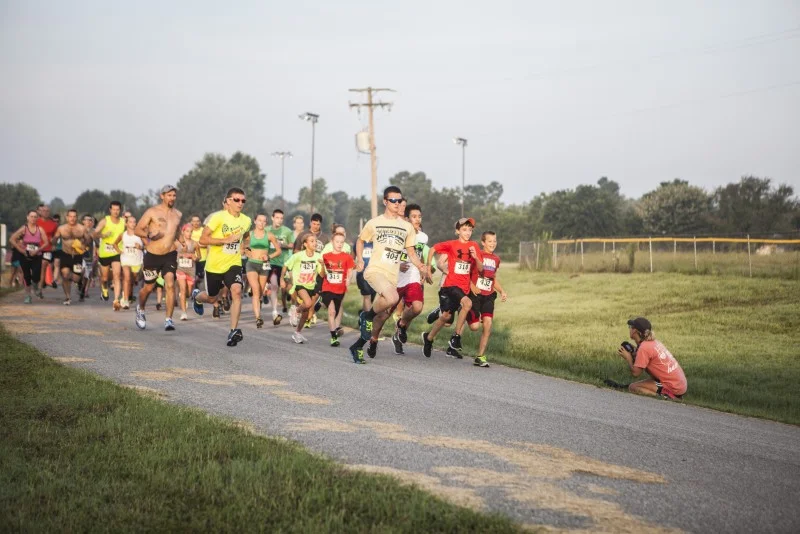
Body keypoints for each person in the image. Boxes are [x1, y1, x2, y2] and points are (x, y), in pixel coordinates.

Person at [349, 186, 429, 364]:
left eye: (399, 200)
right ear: (385, 201)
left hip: (392, 276)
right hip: (375, 271)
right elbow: (360, 240)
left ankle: (358, 346)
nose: (397, 203)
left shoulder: (407, 227)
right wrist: (360, 258)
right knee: (392, 298)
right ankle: (366, 316)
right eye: (393, 200)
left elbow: (411, 252)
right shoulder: (374, 222)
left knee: (382, 314)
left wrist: (421, 266)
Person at [191, 188, 252, 346]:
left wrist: (246, 247)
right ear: (229, 201)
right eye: (237, 200)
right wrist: (224, 240)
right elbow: (203, 240)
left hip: (233, 263)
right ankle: (197, 297)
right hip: (214, 266)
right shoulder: (217, 218)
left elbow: (246, 235)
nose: (240, 203)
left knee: (237, 291)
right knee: (212, 298)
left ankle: (233, 331)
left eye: (243, 201)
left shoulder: (246, 220)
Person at [421, 217, 483, 359]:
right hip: (449, 286)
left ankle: (428, 338)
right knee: (467, 303)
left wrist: (476, 258)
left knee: (445, 317)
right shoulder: (451, 245)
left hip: (463, 288)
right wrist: (428, 268)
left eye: (470, 230)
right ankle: (456, 337)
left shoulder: (474, 246)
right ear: (457, 231)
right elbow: (432, 249)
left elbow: (480, 268)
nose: (467, 233)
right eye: (464, 230)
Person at [134, 185, 182, 331]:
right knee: (148, 288)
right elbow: (137, 229)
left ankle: (168, 319)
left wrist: (182, 241)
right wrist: (149, 235)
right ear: (162, 196)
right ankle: (140, 309)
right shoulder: (152, 212)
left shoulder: (178, 214)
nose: (172, 198)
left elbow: (176, 229)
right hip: (153, 255)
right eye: (169, 195)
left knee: (170, 284)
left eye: (174, 195)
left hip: (170, 254)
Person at [607, 317, 688, 400]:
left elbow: (636, 373)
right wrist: (635, 351)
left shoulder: (644, 348)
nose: (629, 329)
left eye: (630, 327)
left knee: (633, 387)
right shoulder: (653, 342)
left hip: (674, 386)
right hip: (680, 383)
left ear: (635, 331)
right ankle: (668, 393)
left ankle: (667, 397)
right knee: (638, 385)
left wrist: (628, 358)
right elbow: (646, 354)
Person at [391, 203, 433, 355]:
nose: (417, 219)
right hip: (396, 278)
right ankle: (372, 339)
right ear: (407, 219)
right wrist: (397, 266)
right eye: (414, 217)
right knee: (385, 313)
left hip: (414, 277)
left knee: (415, 307)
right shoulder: (399, 235)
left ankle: (400, 328)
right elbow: (389, 254)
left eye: (419, 217)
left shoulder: (423, 237)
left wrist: (423, 271)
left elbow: (420, 255)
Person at [465, 231, 507, 367]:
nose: (493, 244)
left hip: (488, 295)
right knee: (474, 327)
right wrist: (471, 286)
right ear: (483, 243)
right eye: (490, 241)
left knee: (488, 323)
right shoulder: (477, 255)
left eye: (495, 241)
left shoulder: (496, 259)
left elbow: (492, 278)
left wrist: (501, 291)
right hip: (475, 295)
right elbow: (467, 273)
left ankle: (480, 356)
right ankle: (463, 309)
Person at [281, 233, 322, 344]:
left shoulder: (318, 257)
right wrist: (281, 279)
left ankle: (297, 333)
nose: (315, 243)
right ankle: (296, 310)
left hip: (311, 286)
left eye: (316, 241)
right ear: (305, 244)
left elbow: (322, 275)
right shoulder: (298, 256)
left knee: (306, 312)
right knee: (308, 303)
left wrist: (322, 265)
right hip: (300, 285)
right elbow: (286, 265)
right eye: (312, 241)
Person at [244, 214, 281, 328]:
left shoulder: (269, 235)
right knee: (255, 290)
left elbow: (278, 251)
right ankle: (258, 318)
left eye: (264, 221)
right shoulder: (249, 234)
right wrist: (247, 252)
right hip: (252, 264)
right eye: (259, 220)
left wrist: (269, 256)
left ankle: (258, 312)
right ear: (255, 221)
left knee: (259, 292)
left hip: (264, 265)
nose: (261, 223)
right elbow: (243, 246)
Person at [320, 232, 355, 346]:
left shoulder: (347, 257)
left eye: (341, 242)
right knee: (332, 311)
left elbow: (349, 271)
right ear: (332, 242)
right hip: (327, 287)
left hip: (340, 289)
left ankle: (320, 303)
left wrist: (348, 279)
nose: (339, 244)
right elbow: (321, 273)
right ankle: (334, 337)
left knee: (335, 311)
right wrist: (321, 265)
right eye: (337, 242)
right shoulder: (326, 256)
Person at [51, 209, 92, 305]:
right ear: (67, 217)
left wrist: (83, 244)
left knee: (76, 279)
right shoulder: (61, 228)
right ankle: (68, 297)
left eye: (74, 216)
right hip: (65, 254)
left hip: (77, 255)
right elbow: (55, 239)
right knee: (65, 274)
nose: (72, 218)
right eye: (70, 216)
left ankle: (80, 281)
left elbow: (88, 240)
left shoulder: (82, 228)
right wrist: (53, 242)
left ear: (77, 217)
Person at [9, 209, 49, 303]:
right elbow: (12, 239)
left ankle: (35, 284)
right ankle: (27, 296)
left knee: (36, 275)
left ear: (37, 218)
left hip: (37, 255)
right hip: (25, 255)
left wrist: (38, 250)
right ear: (27, 217)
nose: (33, 218)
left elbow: (46, 242)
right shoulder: (24, 228)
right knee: (26, 276)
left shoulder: (40, 229)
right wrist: (21, 250)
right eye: (31, 216)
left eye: (35, 217)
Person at [93, 201, 125, 309]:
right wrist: (103, 234)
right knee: (105, 278)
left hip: (117, 251)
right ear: (110, 210)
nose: (116, 212)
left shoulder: (123, 222)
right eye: (114, 209)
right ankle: (105, 289)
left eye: (117, 209)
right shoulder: (105, 221)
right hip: (105, 252)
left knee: (117, 275)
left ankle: (116, 300)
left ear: (120, 210)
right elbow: (94, 233)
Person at [267, 209, 294, 323]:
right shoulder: (266, 230)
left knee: (278, 286)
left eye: (281, 218)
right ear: (272, 218)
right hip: (268, 261)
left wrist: (283, 245)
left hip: (281, 263)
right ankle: (274, 311)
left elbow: (292, 245)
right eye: (277, 217)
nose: (279, 220)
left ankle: (275, 310)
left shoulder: (287, 231)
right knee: (273, 285)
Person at [115, 215, 143, 309]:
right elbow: (115, 244)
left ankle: (127, 294)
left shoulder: (140, 234)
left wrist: (141, 247)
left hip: (137, 261)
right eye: (130, 222)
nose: (133, 224)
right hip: (126, 259)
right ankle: (126, 300)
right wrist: (119, 251)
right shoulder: (123, 234)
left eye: (134, 222)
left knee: (133, 280)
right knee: (126, 278)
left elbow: (148, 245)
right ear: (126, 224)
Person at [175, 224, 201, 321]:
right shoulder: (178, 243)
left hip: (191, 270)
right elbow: (173, 253)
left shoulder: (195, 244)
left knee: (188, 293)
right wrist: (182, 255)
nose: (189, 233)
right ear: (183, 232)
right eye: (187, 231)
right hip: (180, 269)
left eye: (191, 231)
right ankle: (184, 313)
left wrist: (195, 257)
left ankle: (184, 296)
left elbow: (199, 256)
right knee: (182, 289)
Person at [36, 204, 59, 293]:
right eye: (44, 211)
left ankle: (40, 288)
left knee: (44, 265)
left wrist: (54, 244)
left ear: (49, 212)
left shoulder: (53, 224)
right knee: (37, 268)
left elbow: (56, 237)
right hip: (36, 248)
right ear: (40, 212)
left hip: (48, 249)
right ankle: (39, 282)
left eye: (47, 211)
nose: (45, 213)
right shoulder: (36, 222)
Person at [80, 214, 98, 301]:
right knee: (82, 272)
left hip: (89, 256)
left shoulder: (94, 232)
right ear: (83, 221)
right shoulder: (78, 230)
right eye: (87, 220)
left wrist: (96, 255)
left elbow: (98, 244)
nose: (89, 222)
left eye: (90, 220)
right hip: (79, 255)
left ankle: (85, 290)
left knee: (87, 275)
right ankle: (81, 286)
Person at [189, 215, 208, 289]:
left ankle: (197, 288)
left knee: (200, 277)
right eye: (194, 221)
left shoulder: (203, 231)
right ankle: (193, 292)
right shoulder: (189, 231)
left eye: (197, 221)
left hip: (202, 258)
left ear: (200, 222)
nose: (196, 223)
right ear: (191, 222)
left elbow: (208, 243)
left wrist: (197, 245)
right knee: (192, 276)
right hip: (191, 258)